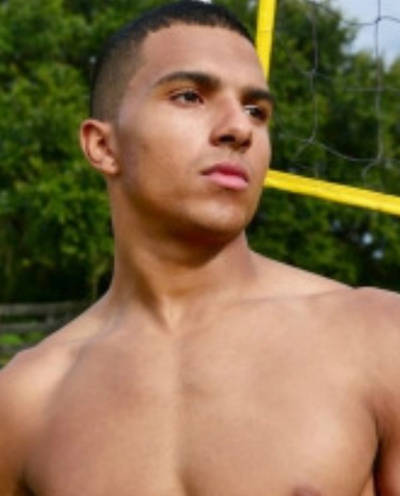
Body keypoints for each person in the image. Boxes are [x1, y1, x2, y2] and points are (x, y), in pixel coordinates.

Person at [1, 1, 400, 495]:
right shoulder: (24, 400)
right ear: (103, 146)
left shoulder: (377, 336)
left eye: (256, 111)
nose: (240, 128)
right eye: (190, 96)